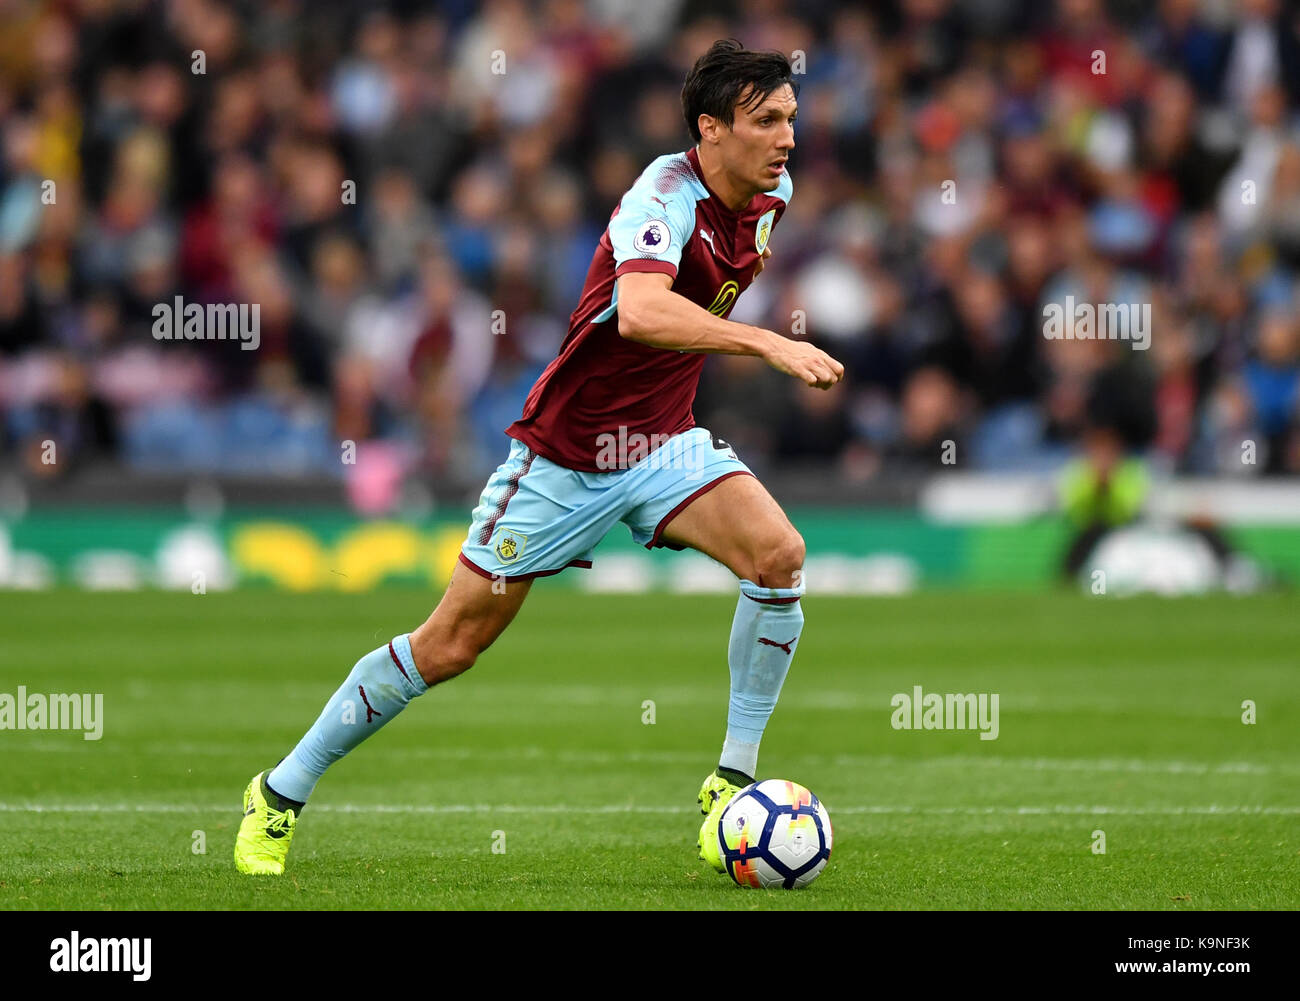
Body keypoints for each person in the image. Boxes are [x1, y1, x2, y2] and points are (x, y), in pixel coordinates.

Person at [235, 39, 844, 877]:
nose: (787, 138)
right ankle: (278, 793)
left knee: (779, 557)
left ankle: (730, 778)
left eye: (791, 120)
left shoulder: (771, 196)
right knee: (447, 645)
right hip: (564, 456)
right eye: (768, 120)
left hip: (662, 442)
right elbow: (639, 310)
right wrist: (766, 344)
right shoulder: (661, 195)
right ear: (710, 128)